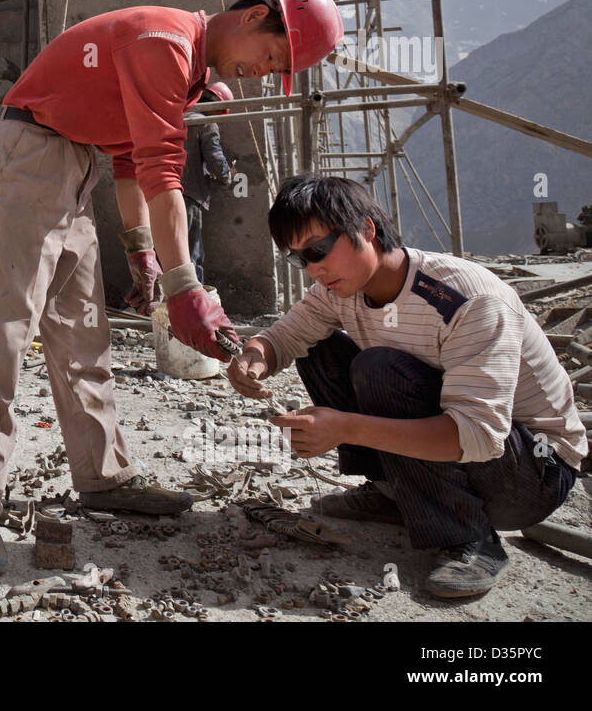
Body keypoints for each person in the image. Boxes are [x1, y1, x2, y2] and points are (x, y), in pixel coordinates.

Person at [0, 0, 345, 575]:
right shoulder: (165, 40)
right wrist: (186, 289)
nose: (263, 72)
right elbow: (163, 174)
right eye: (271, 57)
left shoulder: (187, 71)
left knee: (83, 334)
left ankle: (103, 478)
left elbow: (131, 161)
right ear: (255, 16)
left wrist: (144, 256)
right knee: (2, 331)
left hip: (72, 161)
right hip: (29, 153)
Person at [228, 175, 587, 598]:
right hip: (475, 448)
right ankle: (394, 493)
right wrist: (253, 357)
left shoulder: (466, 298)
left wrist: (345, 428)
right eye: (298, 260)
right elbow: (285, 338)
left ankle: (469, 538)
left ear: (366, 229)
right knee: (320, 348)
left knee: (379, 369)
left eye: (317, 251)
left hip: (530, 474)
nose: (313, 268)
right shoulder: (338, 289)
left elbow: (479, 435)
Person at [182, 81, 235, 284]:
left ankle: (159, 305)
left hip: (165, 190)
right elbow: (215, 158)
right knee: (191, 253)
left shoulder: (180, 117)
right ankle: (193, 304)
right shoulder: (205, 123)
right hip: (190, 195)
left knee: (168, 251)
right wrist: (227, 176)